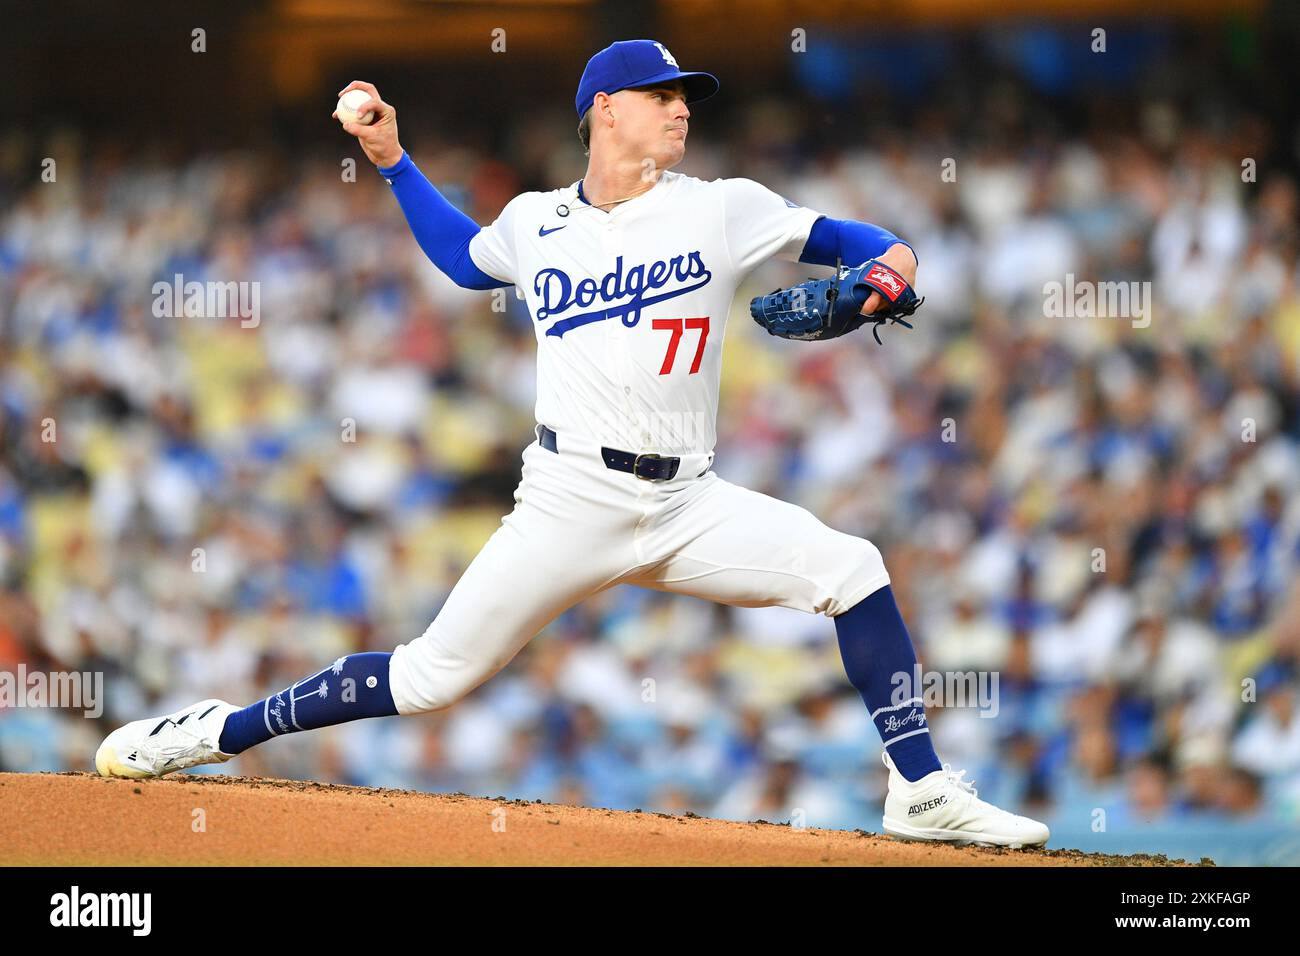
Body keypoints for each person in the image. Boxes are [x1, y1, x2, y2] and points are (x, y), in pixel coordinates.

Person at [96, 39, 1049, 847]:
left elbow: (860, 237)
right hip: (568, 498)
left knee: (855, 567)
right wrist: (392, 160)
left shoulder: (721, 205)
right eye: (661, 95)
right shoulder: (536, 222)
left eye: (687, 98)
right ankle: (215, 731)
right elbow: (461, 257)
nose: (682, 110)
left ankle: (919, 789)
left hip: (688, 503)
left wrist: (894, 266)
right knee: (430, 678)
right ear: (602, 110)